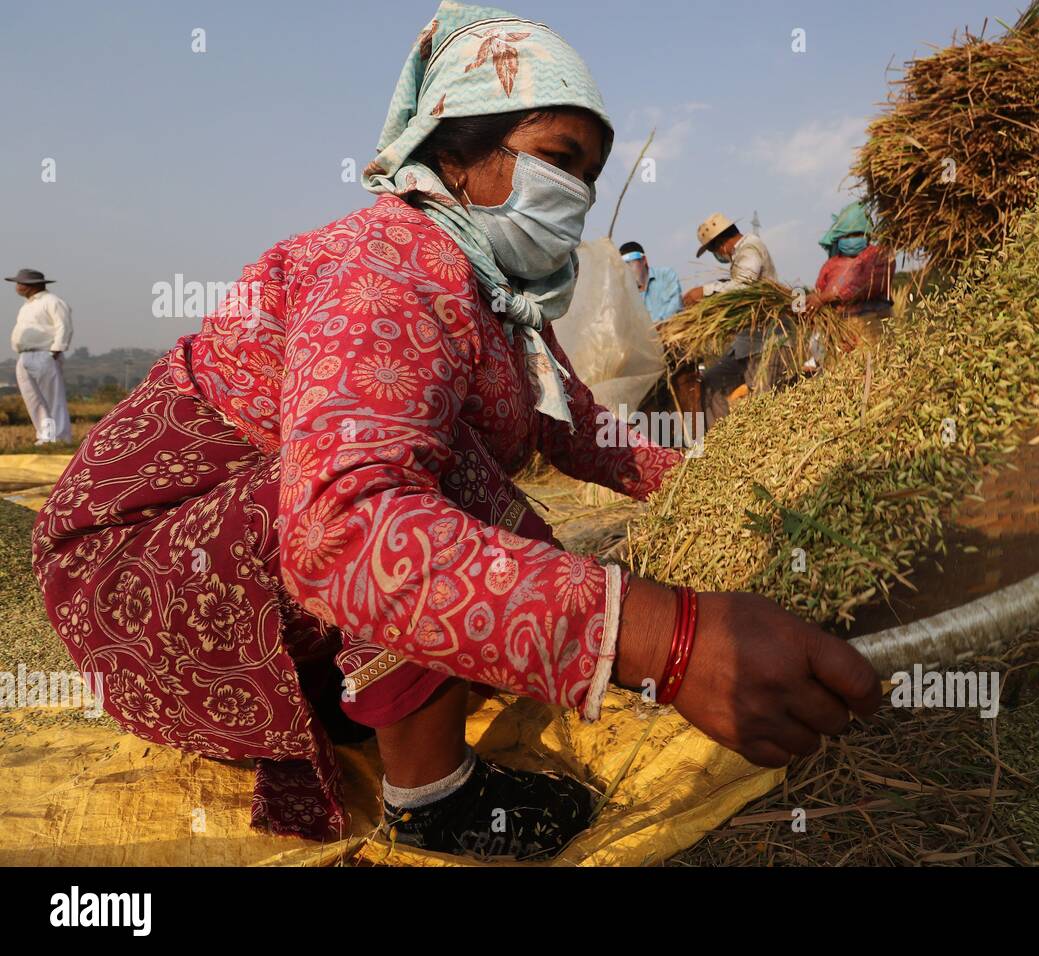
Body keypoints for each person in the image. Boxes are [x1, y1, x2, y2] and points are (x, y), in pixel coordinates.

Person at [31, 2, 880, 862]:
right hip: (150, 593)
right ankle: (432, 795)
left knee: (468, 506)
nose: (578, 194)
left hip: (260, 589)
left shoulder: (503, 301)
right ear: (452, 155)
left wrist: (737, 475)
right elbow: (344, 527)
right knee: (427, 482)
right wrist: (674, 641)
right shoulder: (385, 264)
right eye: (558, 160)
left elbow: (589, 435)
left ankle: (380, 703)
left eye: (590, 173)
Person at [683, 214, 781, 428]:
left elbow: (743, 286)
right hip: (746, 343)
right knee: (710, 382)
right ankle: (722, 437)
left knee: (763, 404)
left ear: (720, 244)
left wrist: (705, 291)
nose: (715, 255)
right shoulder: (740, 257)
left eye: (712, 250)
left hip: (767, 341)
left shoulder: (750, 249)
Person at [6, 268, 73, 444]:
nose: (18, 287)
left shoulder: (52, 301)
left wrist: (56, 350)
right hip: (25, 356)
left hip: (44, 354)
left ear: (31, 285)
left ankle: (60, 437)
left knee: (52, 398)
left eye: (20, 283)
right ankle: (46, 436)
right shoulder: (27, 306)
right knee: (34, 399)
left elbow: (63, 326)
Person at [808, 201, 894, 317]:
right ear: (838, 238)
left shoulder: (878, 256)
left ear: (867, 235)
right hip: (840, 325)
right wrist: (813, 300)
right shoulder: (831, 264)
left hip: (873, 322)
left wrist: (825, 297)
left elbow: (865, 286)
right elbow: (819, 290)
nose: (851, 240)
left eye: (857, 234)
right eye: (846, 236)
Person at [619, 241, 683, 324]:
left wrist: (656, 326)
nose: (627, 271)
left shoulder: (666, 275)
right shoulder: (626, 297)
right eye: (623, 267)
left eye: (629, 264)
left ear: (644, 260)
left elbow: (676, 306)